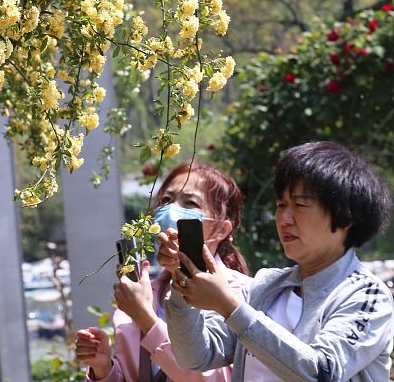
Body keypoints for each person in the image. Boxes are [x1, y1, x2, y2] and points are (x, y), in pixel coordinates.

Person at [161, 141, 394, 381]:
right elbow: (196, 356)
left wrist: (231, 308)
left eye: (300, 205)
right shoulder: (265, 286)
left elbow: (322, 371)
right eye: (281, 205)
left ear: (345, 218)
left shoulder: (367, 295)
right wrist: (182, 286)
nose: (284, 218)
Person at [76, 161, 251, 381]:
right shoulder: (142, 295)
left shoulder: (242, 295)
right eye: (166, 201)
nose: (171, 211)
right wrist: (103, 368)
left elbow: (214, 378)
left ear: (221, 229)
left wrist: (146, 319)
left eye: (190, 203)